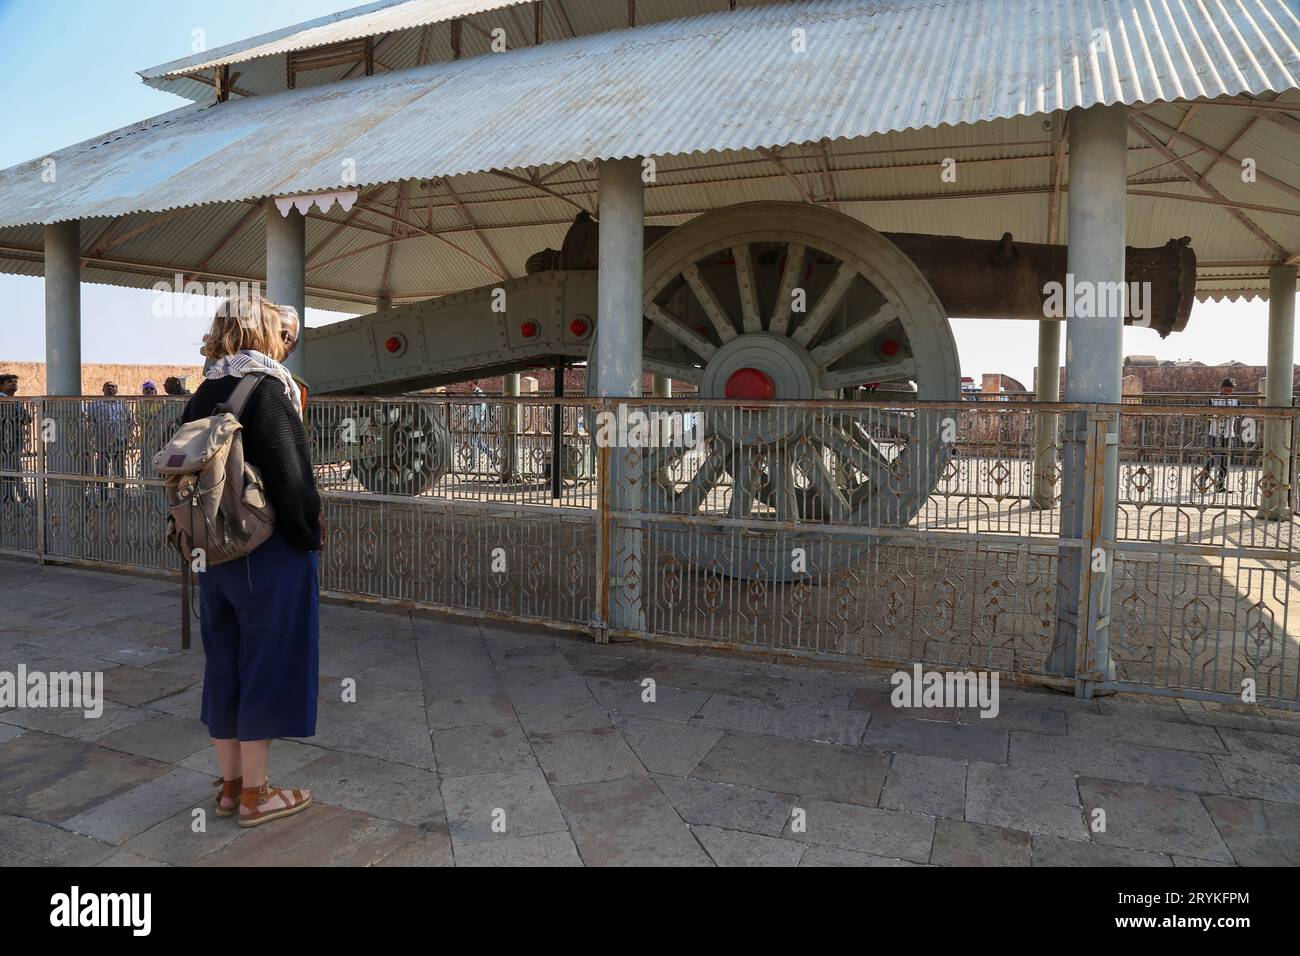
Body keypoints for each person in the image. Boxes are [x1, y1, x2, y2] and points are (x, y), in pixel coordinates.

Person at [186, 296, 320, 828]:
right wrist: (309, 534)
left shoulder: (202, 391)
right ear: (263, 332)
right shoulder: (266, 390)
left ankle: (230, 787)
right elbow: (292, 480)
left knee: (225, 663)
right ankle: (257, 795)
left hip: (211, 552)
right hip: (266, 554)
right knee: (266, 662)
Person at [86, 380, 132, 496]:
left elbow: (129, 420)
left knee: (119, 467)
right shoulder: (95, 404)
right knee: (102, 467)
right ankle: (103, 493)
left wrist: (127, 434)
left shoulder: (122, 404)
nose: (110, 388)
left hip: (120, 439)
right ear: (103, 389)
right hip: (102, 439)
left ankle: (120, 492)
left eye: (112, 386)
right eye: (107, 386)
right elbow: (90, 420)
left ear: (116, 390)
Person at [1204, 377, 1240, 493]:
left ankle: (1220, 485)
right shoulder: (1212, 400)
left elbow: (1239, 414)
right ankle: (1202, 481)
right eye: (1225, 390)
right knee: (1213, 459)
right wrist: (1216, 417)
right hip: (1214, 433)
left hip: (1228, 434)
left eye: (1229, 391)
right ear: (1220, 388)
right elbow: (1206, 416)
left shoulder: (1236, 401)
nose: (1227, 393)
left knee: (1224, 461)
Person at [0, 373, 31, 505]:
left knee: (14, 470)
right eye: (10, 381)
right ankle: (9, 498)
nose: (14, 383)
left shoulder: (16, 401)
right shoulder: (2, 400)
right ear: (1, 386)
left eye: (15, 381)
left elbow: (27, 418)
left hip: (15, 441)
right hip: (4, 442)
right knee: (8, 471)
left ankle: (16, 498)